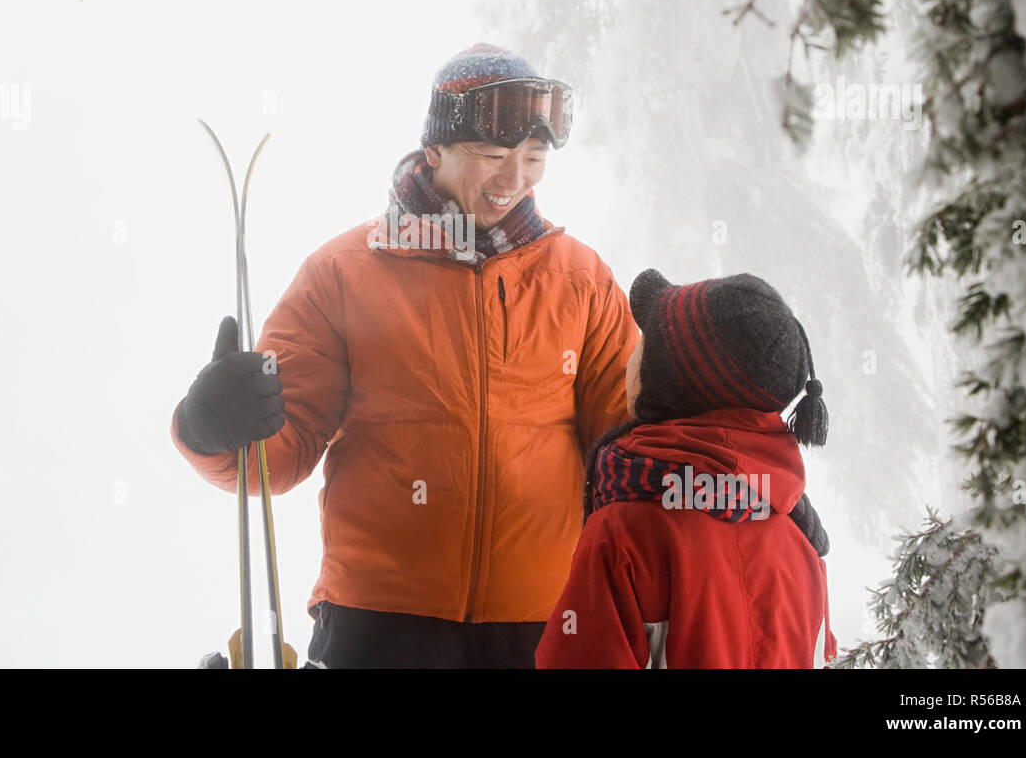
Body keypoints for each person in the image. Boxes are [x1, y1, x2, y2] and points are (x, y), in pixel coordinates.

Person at [171, 42, 639, 667]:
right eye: (493, 156)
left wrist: (738, 481)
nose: (515, 180)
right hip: (381, 624)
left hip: (546, 621)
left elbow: (632, 443)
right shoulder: (343, 273)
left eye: (534, 158)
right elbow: (276, 456)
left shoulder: (581, 282)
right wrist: (214, 432)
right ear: (435, 150)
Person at [536, 268, 838, 668]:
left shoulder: (625, 533)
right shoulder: (800, 539)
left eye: (647, 344)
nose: (633, 356)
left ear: (671, 383)